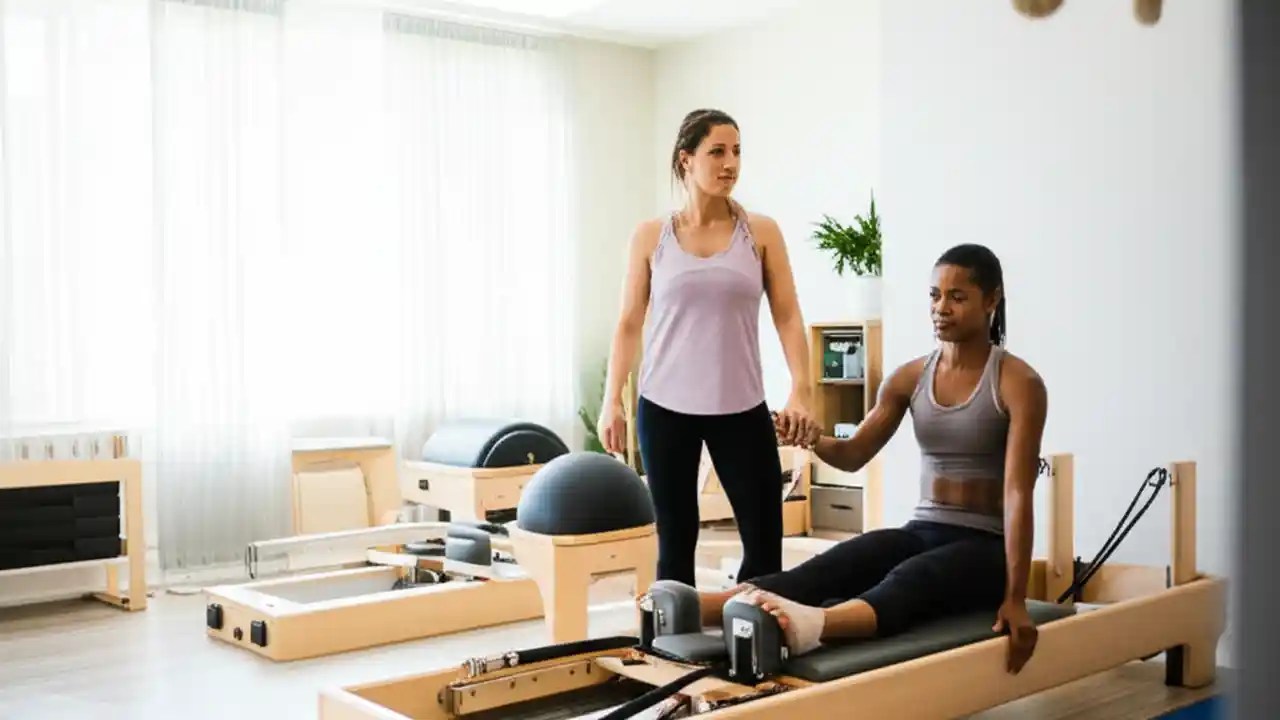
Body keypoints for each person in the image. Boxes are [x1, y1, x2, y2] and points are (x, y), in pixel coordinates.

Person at [697, 243, 1048, 675]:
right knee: (843, 561)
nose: (941, 307)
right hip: (923, 529)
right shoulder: (910, 377)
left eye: (958, 297)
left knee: (914, 578)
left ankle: (815, 624)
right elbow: (852, 455)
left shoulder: (1018, 382)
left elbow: (1017, 493)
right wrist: (811, 439)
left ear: (991, 300)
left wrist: (1015, 598)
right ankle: (701, 608)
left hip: (986, 548)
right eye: (935, 296)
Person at [597, 108, 816, 588]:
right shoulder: (651, 236)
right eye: (717, 151)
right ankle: (671, 647)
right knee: (676, 542)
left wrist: (801, 389)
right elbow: (629, 322)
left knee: (764, 541)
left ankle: (751, 638)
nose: (730, 163)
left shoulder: (761, 233)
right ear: (685, 160)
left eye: (736, 151)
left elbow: (787, 315)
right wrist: (611, 399)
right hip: (665, 407)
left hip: (741, 406)